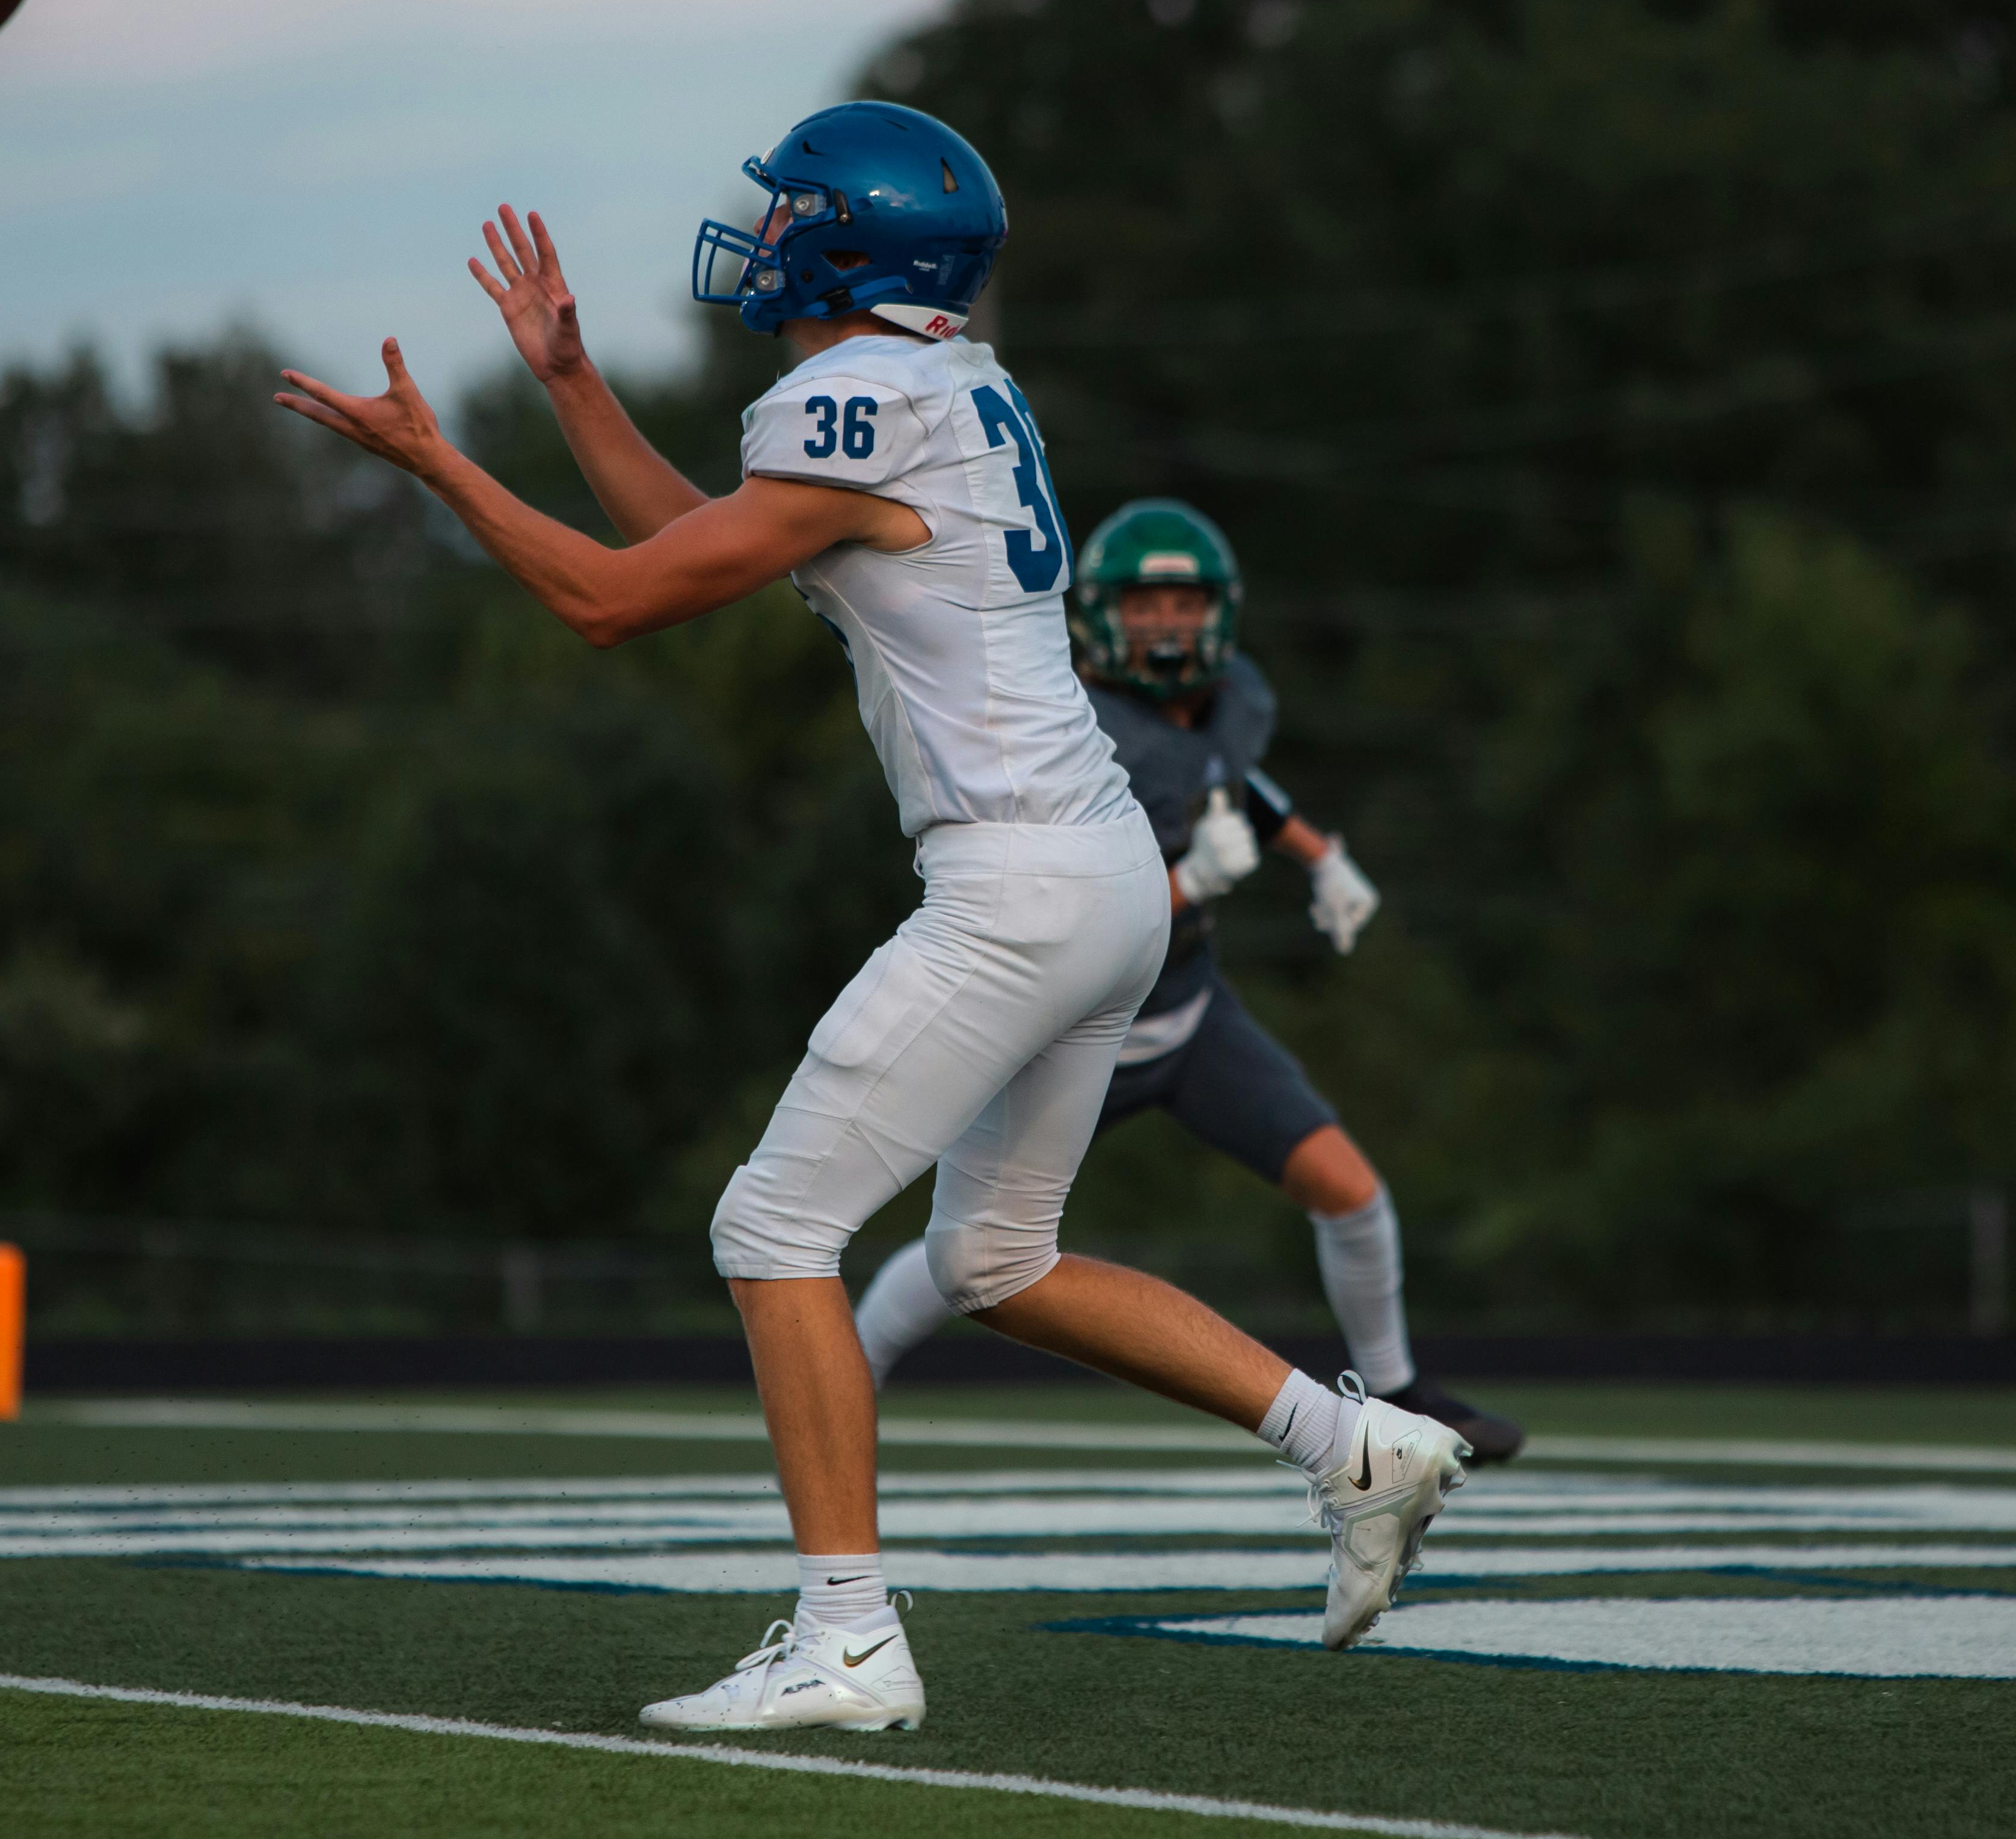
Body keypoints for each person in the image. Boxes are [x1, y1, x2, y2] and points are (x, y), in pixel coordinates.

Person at [272, 102, 1471, 1734]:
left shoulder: (852, 398)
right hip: (1102, 871)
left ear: (852, 243)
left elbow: (614, 603)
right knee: (993, 1258)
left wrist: (438, 464)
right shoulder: (943, 383)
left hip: (1015, 883)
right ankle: (1359, 1445)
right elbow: (696, 544)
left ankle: (845, 1634)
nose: (763, 233)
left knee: (771, 1228)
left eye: (791, 211)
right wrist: (565, 381)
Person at [851, 501, 1525, 1464]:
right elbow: (1071, 898)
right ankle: (855, 1369)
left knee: (1352, 1191)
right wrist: (1190, 881)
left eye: (1183, 601)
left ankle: (1397, 1394)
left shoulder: (1231, 697)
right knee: (975, 1246)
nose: (1167, 623)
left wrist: (1319, 854)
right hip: (1079, 1025)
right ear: (1099, 616)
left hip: (1192, 1011)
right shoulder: (1073, 726)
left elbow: (1234, 777)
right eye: (1145, 603)